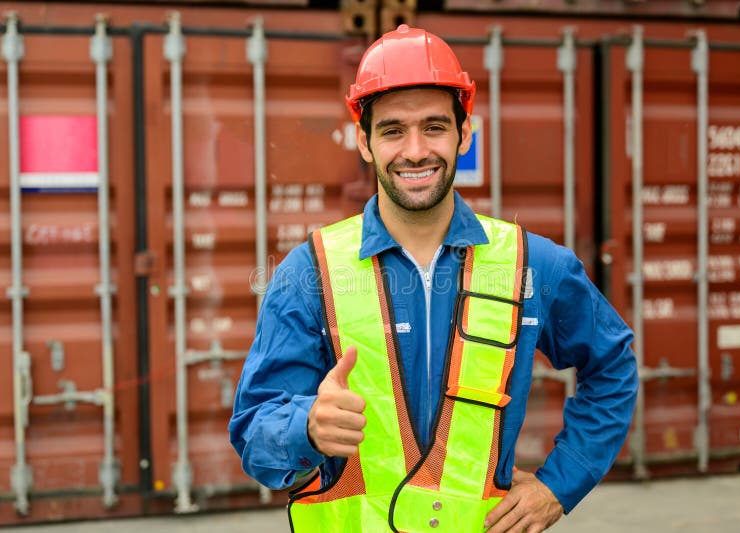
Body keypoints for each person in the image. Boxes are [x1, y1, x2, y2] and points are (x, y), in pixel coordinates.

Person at [229, 24, 638, 533]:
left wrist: (560, 485)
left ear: (464, 134)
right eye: (392, 131)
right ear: (364, 142)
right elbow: (253, 433)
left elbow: (613, 366)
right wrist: (306, 427)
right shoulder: (309, 273)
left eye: (434, 127)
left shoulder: (532, 265)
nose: (416, 150)